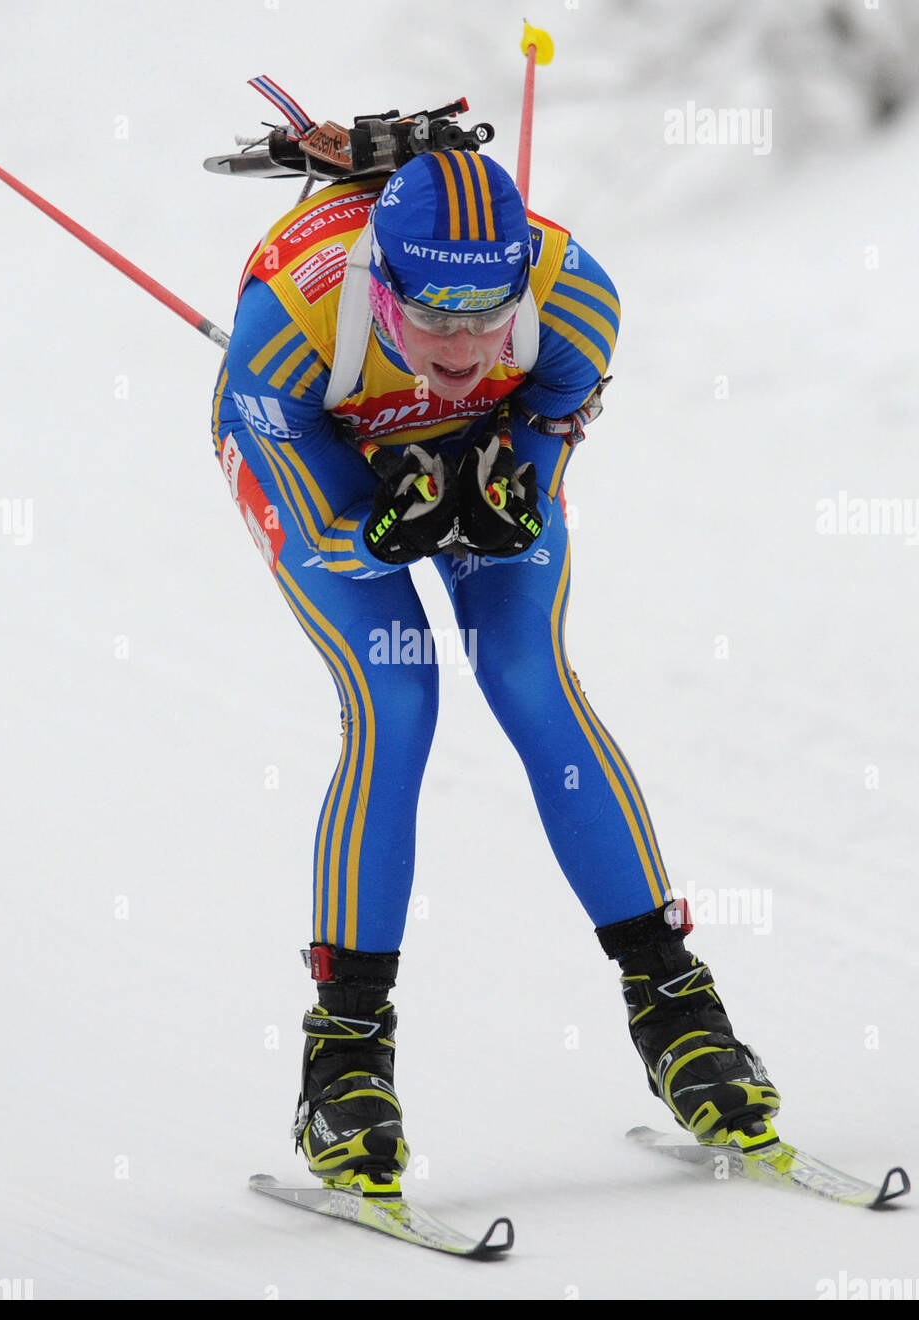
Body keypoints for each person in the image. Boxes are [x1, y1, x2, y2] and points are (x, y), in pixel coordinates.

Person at [210, 148, 780, 1190]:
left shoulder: (575, 295)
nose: (465, 344)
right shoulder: (286, 326)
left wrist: (513, 482)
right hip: (325, 462)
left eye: (487, 315)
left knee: (528, 677)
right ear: (380, 288)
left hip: (474, 450)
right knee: (395, 701)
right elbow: (317, 525)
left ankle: (677, 1009)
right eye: (435, 316)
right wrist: (383, 528)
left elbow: (550, 424)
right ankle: (343, 1060)